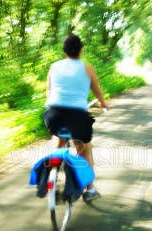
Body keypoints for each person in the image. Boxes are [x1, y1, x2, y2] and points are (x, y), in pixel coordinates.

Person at [43, 33, 108, 202]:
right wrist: (103, 103)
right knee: (84, 148)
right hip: (77, 116)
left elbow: (49, 92)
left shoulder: (54, 66)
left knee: (58, 139)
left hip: (54, 114)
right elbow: (97, 90)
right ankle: (90, 189)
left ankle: (52, 172)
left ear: (64, 51)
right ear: (81, 50)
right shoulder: (87, 68)